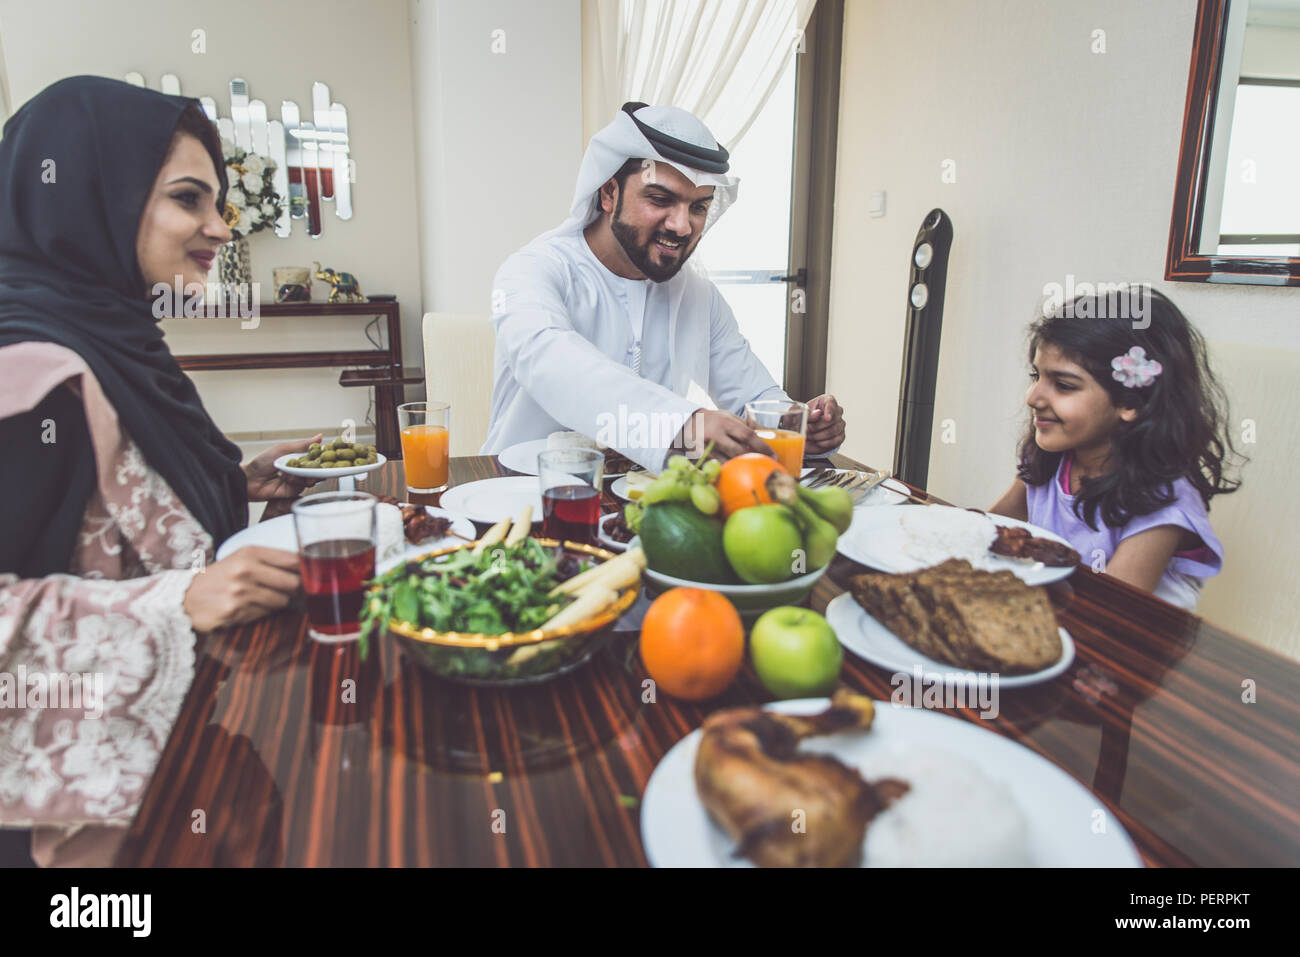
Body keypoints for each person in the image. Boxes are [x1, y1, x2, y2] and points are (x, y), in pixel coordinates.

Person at [0, 76, 318, 866]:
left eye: (217, 200)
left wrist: (239, 479)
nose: (218, 225)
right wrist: (178, 600)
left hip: (188, 748)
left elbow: (94, 506)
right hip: (84, 830)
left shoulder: (111, 328)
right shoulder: (29, 372)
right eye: (187, 199)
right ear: (92, 195)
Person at [482, 102, 846, 471]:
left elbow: (752, 394)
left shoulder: (698, 295)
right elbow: (552, 361)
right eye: (660, 199)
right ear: (609, 194)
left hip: (646, 501)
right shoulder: (532, 271)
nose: (682, 226)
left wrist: (794, 423)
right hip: (520, 492)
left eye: (699, 207)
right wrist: (682, 424)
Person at [988, 288, 1241, 610]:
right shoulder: (1049, 459)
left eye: (1063, 385)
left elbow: (1109, 609)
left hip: (1128, 644)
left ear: (1129, 401)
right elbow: (987, 531)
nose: (1032, 397)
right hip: (1052, 614)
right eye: (1036, 376)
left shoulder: (1164, 503)